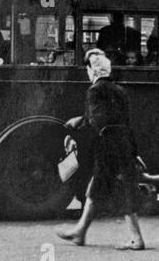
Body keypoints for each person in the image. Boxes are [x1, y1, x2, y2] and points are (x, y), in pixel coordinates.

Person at [56, 49, 145, 249]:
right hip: (123, 143)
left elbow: (97, 121)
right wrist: (134, 152)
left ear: (92, 71)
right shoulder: (120, 90)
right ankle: (80, 232)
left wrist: (77, 128)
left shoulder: (94, 91)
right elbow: (127, 122)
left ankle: (137, 239)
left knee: (116, 187)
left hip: (107, 145)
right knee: (98, 185)